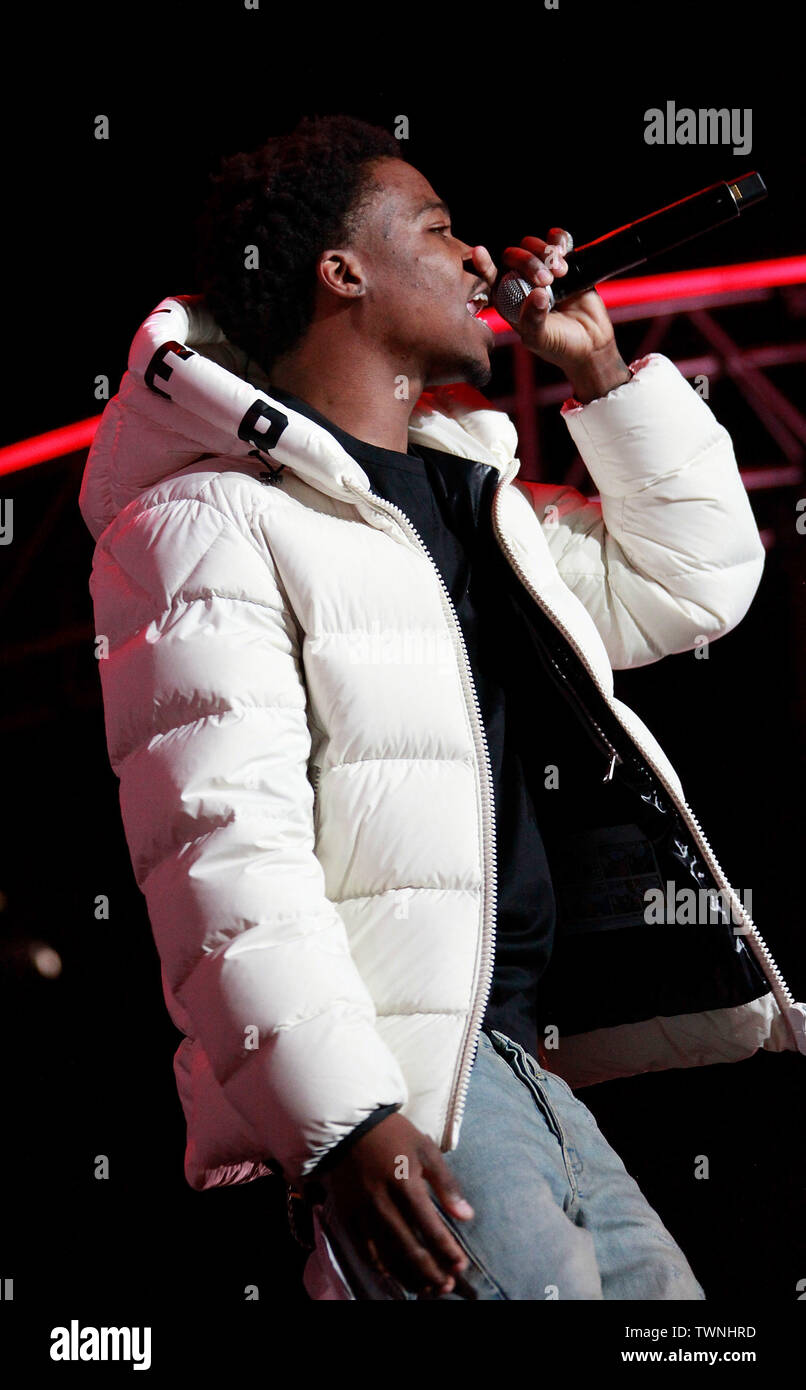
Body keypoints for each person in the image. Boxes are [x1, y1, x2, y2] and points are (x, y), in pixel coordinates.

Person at [78, 114, 803, 1301]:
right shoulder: (206, 520)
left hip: (518, 1067)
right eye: (439, 228)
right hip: (398, 1077)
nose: (481, 260)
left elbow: (688, 585)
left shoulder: (477, 502)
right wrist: (346, 1114)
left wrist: (596, 370)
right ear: (340, 270)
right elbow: (220, 842)